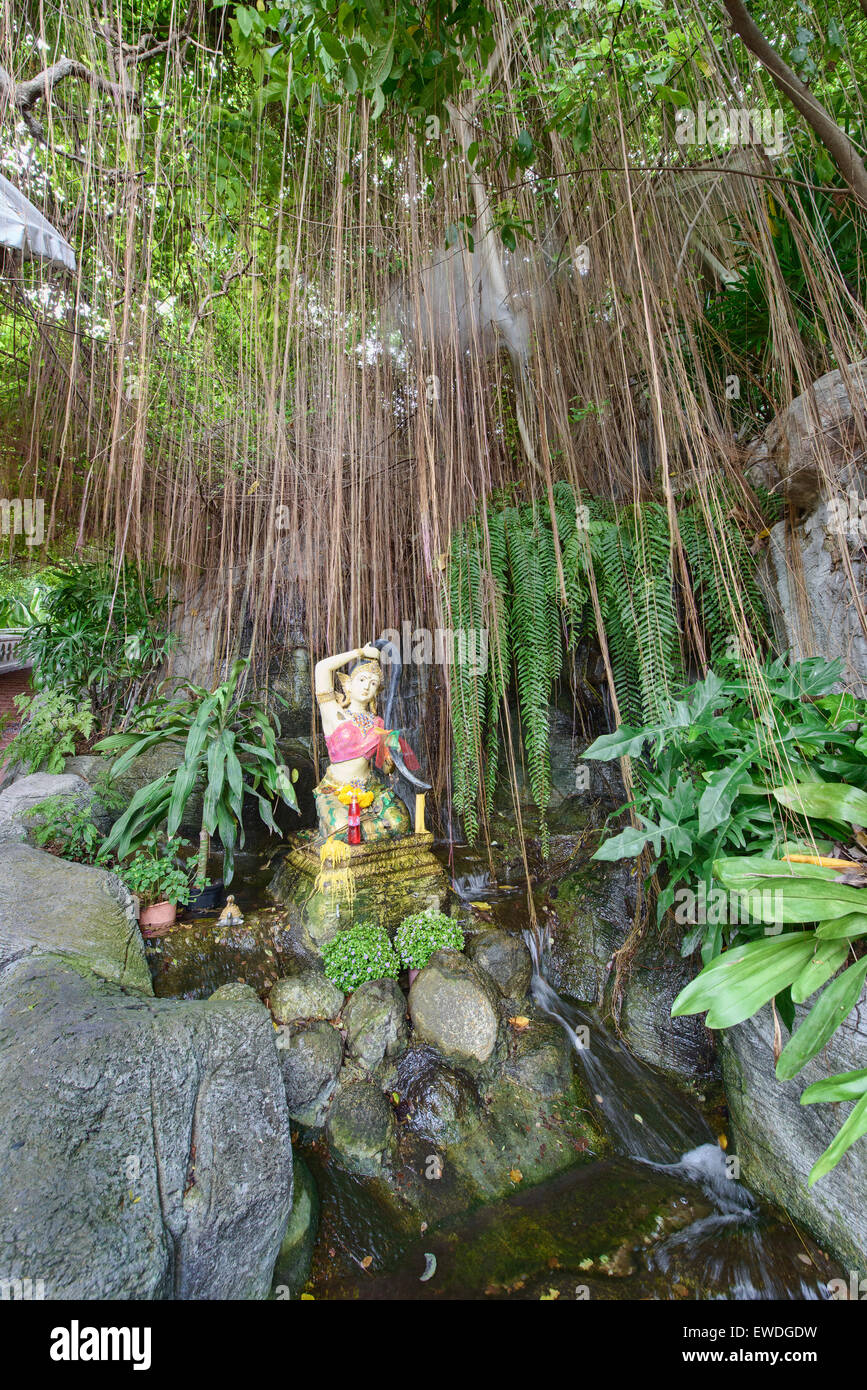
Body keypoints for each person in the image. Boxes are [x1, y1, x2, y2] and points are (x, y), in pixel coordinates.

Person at [312, 642, 419, 842]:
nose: (366, 686)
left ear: (377, 692)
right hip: (336, 789)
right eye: (362, 679)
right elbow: (322, 668)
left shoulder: (378, 723)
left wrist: (391, 757)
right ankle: (340, 825)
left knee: (401, 822)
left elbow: (386, 769)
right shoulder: (334, 713)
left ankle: (364, 827)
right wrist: (360, 652)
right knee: (343, 829)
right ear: (347, 685)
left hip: (369, 787)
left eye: (373, 683)